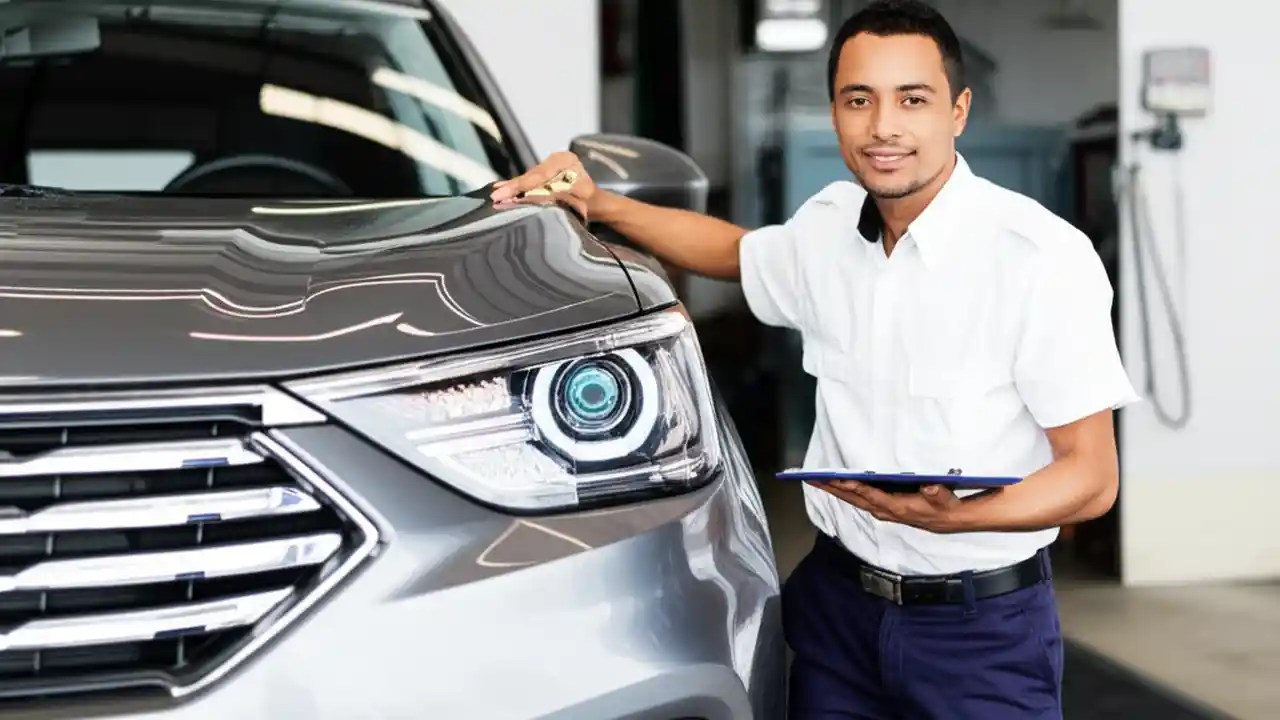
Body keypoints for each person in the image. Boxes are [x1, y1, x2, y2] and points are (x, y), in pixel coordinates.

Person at [491, 1, 1138, 717]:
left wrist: (955, 521)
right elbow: (733, 252)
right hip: (838, 613)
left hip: (978, 629)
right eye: (858, 100)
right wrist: (598, 203)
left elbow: (1090, 476)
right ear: (835, 112)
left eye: (911, 100)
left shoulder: (1039, 258)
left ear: (958, 111)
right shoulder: (829, 227)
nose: (883, 127)